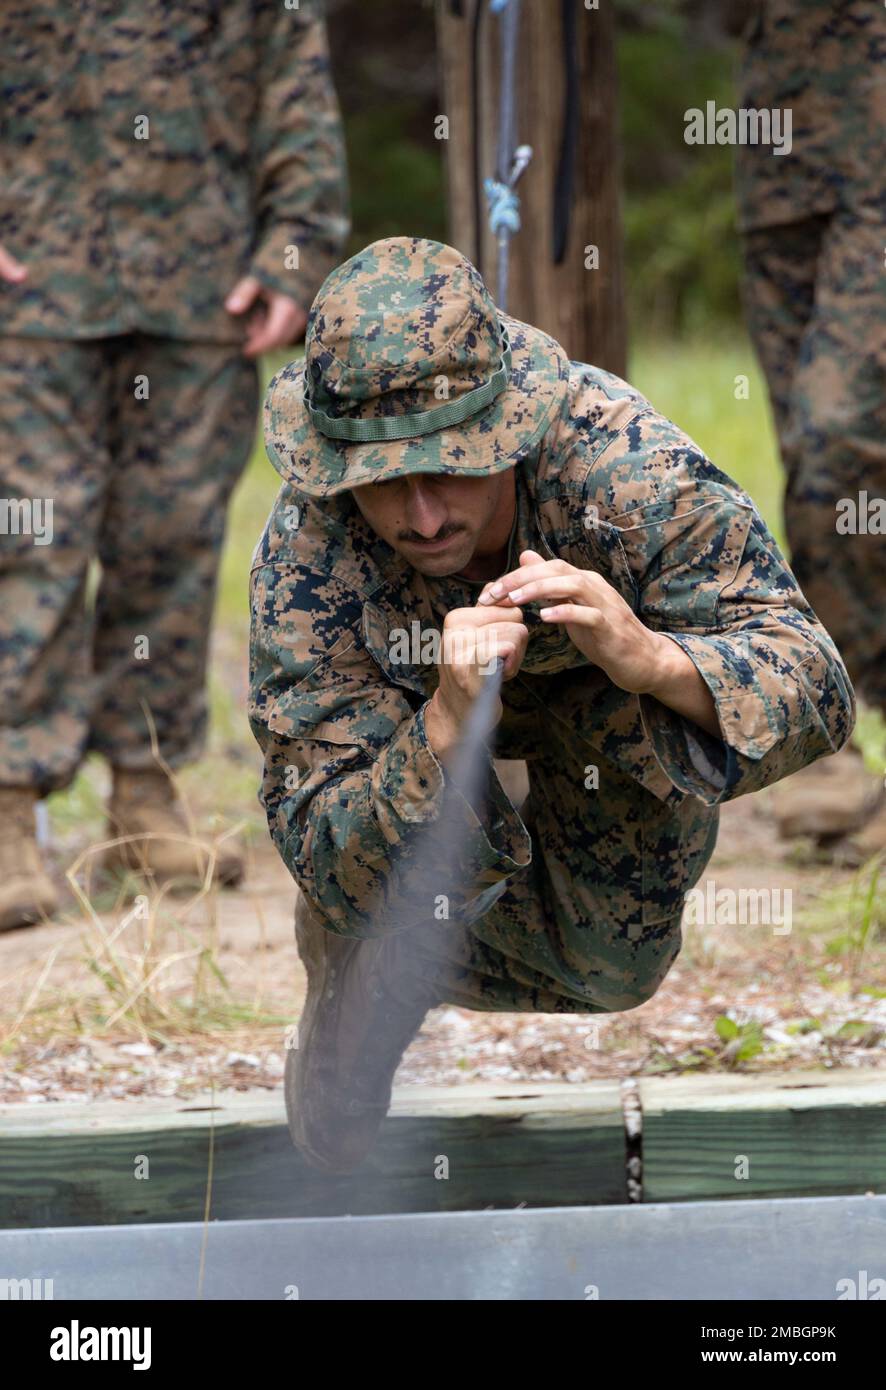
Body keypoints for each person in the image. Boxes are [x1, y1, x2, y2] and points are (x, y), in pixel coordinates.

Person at [249, 236, 853, 1173]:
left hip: (601, 708)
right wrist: (445, 725)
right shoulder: (310, 550)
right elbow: (320, 831)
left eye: (450, 468)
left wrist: (653, 661)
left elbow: (814, 680)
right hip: (412, 730)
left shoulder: (621, 466)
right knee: (360, 899)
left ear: (509, 430)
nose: (421, 517)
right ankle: (366, 963)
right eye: (381, 483)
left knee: (617, 964)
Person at [0, 0, 349, 930]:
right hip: (30, 284)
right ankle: (5, 809)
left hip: (201, 282)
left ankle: (144, 795)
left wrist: (291, 256)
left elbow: (295, 89)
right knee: (31, 531)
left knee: (172, 536)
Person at [733, 0, 886, 859]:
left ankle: (847, 720)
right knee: (811, 460)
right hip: (780, 166)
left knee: (840, 443)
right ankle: (841, 744)